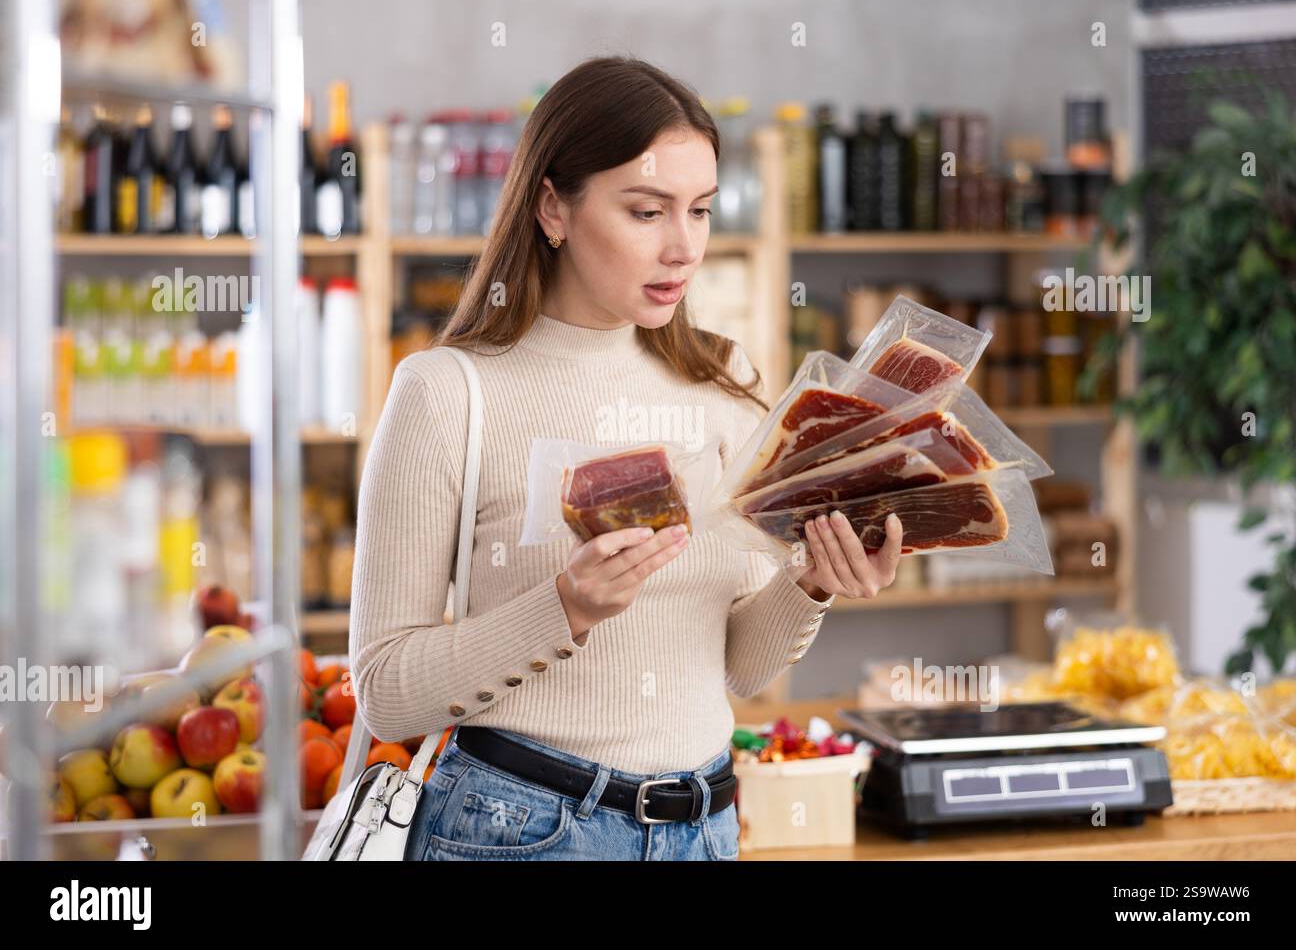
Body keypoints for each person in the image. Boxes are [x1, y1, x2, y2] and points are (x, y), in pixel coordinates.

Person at [349, 55, 904, 861]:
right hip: (520, 831)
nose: (684, 248)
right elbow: (386, 691)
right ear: (553, 207)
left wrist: (812, 580)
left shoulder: (723, 379)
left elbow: (742, 667)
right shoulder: (447, 393)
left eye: (702, 211)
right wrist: (564, 607)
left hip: (705, 828)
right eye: (647, 212)